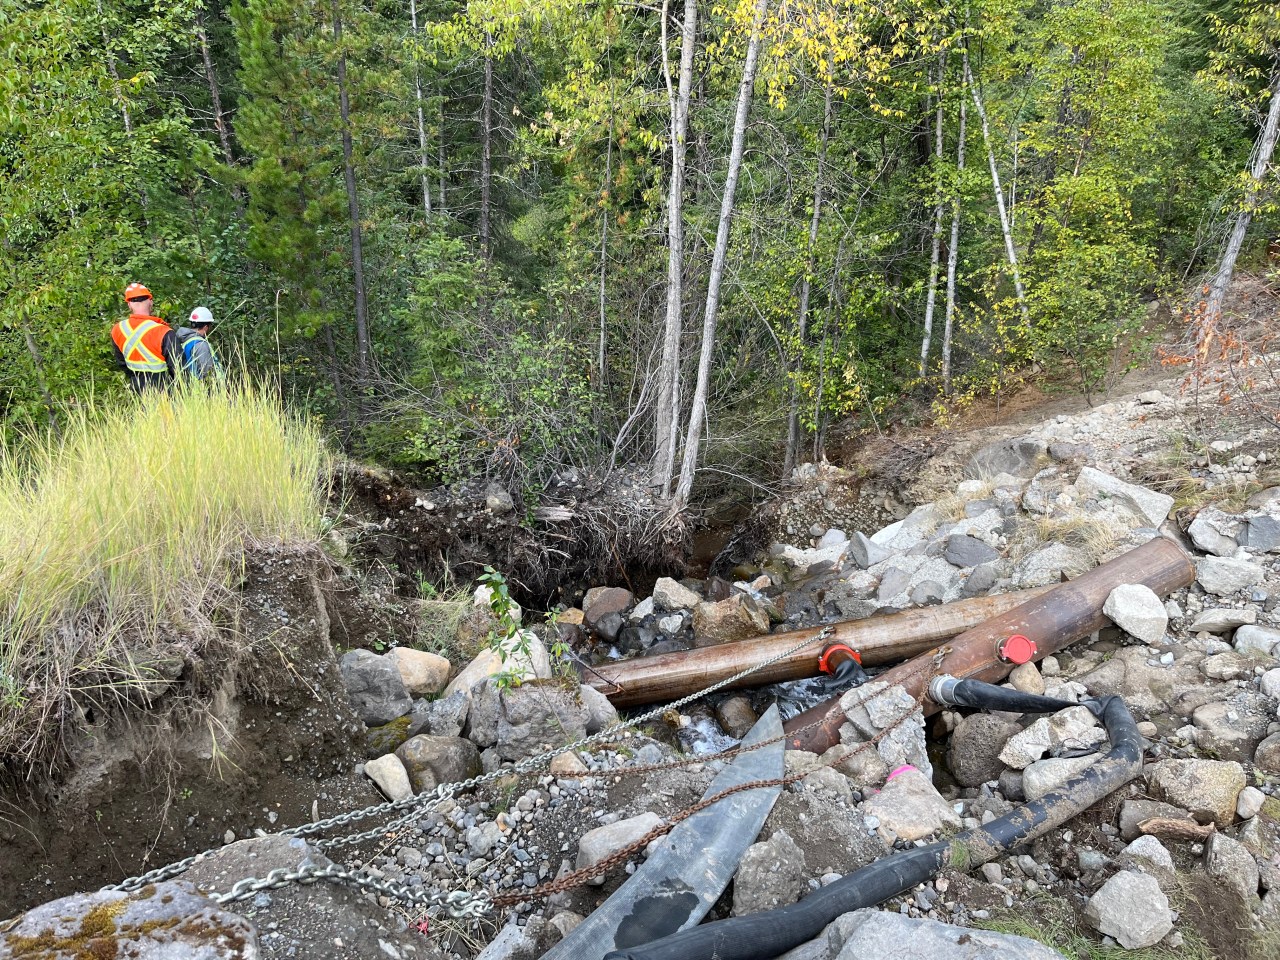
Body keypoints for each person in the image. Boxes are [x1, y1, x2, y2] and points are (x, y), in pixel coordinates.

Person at [110, 282, 179, 393]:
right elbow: (178, 367)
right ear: (150, 302)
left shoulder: (117, 329)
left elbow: (121, 362)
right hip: (165, 389)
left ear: (129, 305)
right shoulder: (163, 331)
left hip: (137, 388)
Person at [176, 306, 223, 380]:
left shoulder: (184, 340)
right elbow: (207, 371)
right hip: (201, 388)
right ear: (206, 327)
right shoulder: (201, 345)